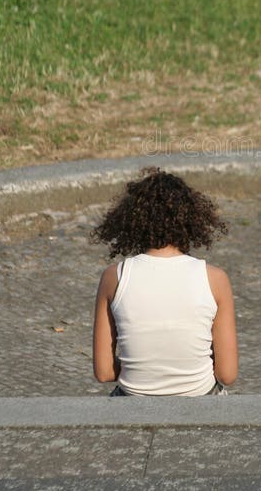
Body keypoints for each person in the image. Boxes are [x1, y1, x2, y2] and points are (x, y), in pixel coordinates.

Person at [91, 167, 238, 396]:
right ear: (192, 220)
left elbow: (104, 372)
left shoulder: (114, 277)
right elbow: (227, 375)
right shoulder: (215, 279)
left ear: (131, 221)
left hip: (133, 401)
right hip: (200, 400)